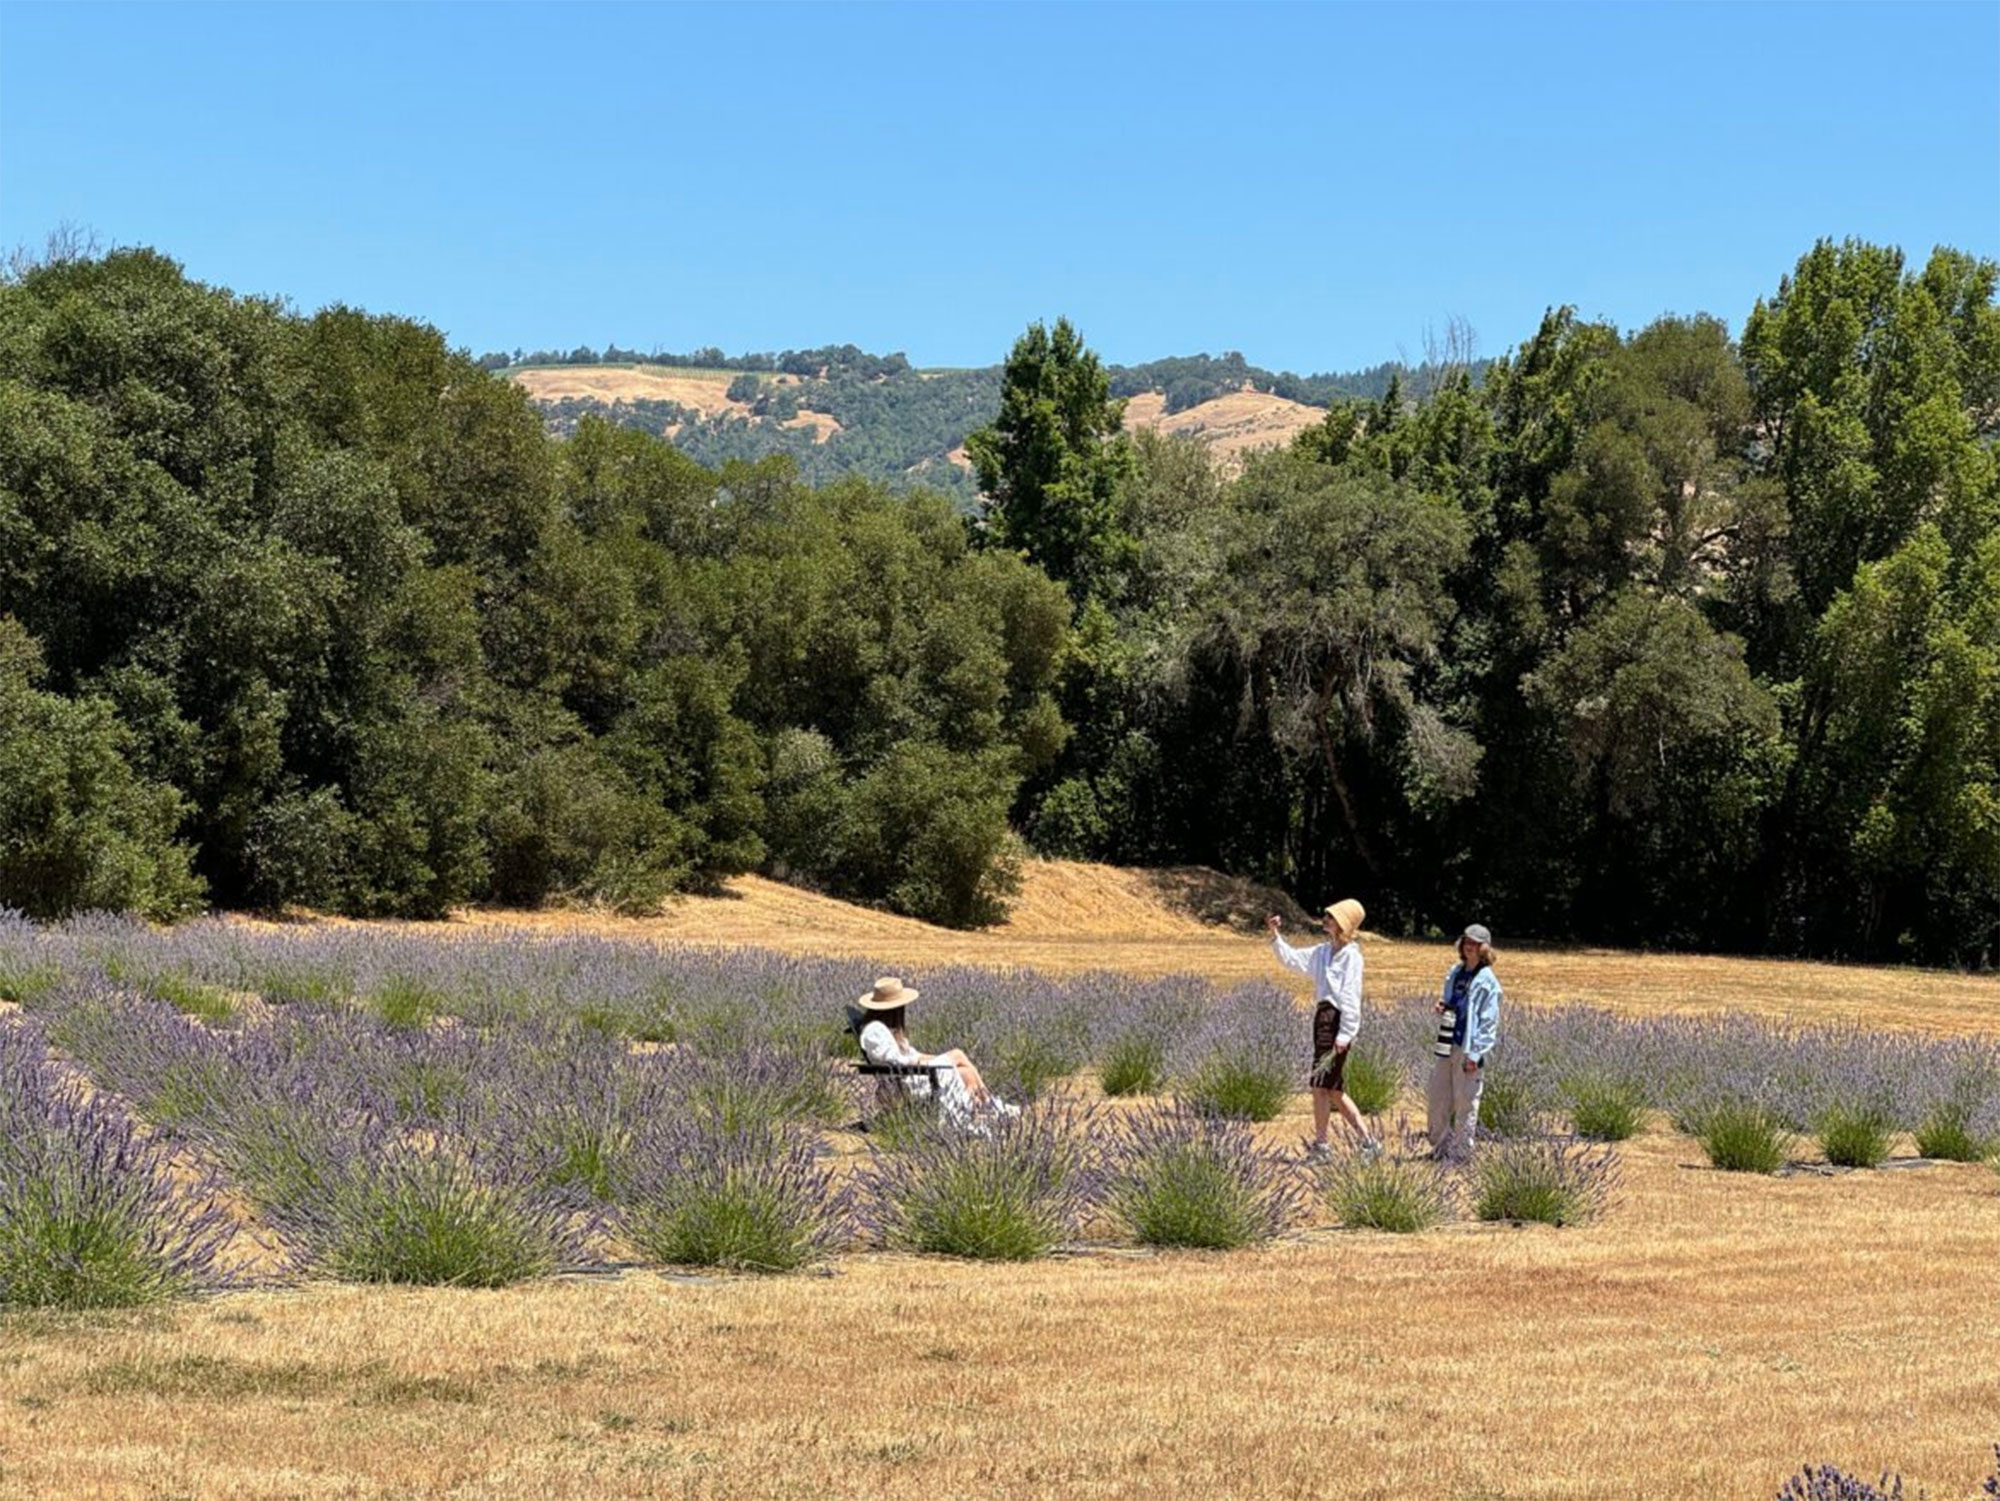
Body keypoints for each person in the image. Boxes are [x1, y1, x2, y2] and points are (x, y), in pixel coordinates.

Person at [1265, 899, 1380, 1157]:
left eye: (1332, 917)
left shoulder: (1352, 957)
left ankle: (1366, 1141)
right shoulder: (1322, 952)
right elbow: (1293, 960)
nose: (1325, 919)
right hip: (1323, 1019)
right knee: (1322, 1085)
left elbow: (1351, 997)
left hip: (1337, 1022)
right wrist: (1275, 935)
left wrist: (1346, 1034)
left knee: (1331, 1088)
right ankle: (1323, 1145)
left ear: (1343, 924)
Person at [853, 976, 1016, 1130]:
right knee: (958, 1054)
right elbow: (898, 1062)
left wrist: (939, 1059)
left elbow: (912, 1055)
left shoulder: (886, 1029)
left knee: (964, 1070)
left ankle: (986, 1108)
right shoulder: (875, 1031)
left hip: (911, 1075)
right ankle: (990, 1106)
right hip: (905, 1082)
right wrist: (937, 1061)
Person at [1429, 924, 1502, 1159]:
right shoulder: (1456, 972)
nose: (1469, 947)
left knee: (1466, 1102)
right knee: (1438, 1097)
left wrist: (1475, 1054)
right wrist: (1444, 1007)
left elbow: (1488, 1022)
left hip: (1468, 1047)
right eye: (1466, 942)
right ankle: (1440, 1150)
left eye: (1475, 944)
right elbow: (1453, 1002)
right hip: (1447, 1043)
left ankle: (1461, 1154)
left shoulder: (1488, 981)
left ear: (1484, 948)